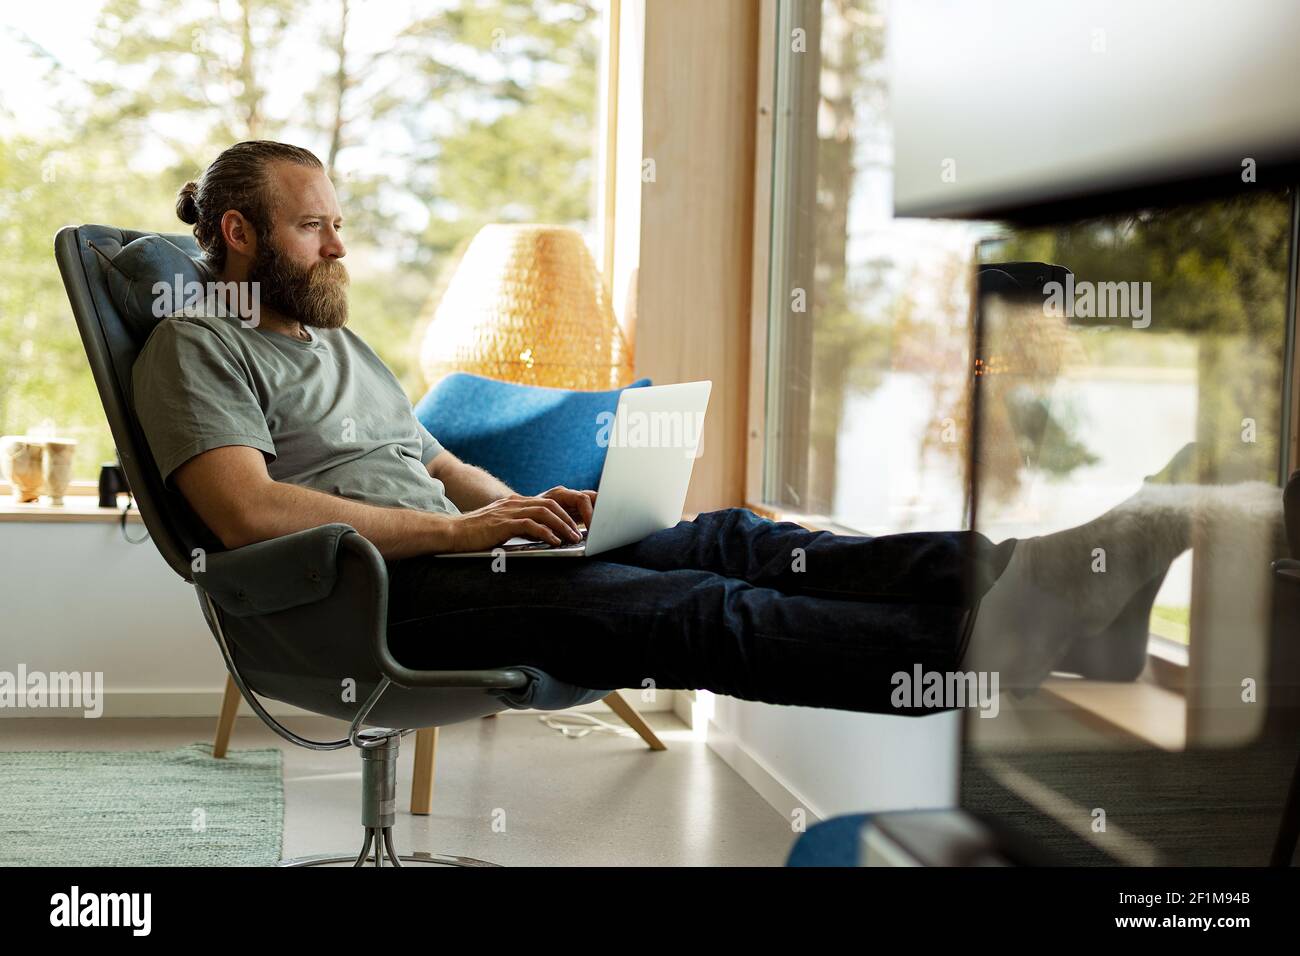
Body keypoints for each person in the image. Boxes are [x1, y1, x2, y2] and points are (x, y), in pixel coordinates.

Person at [132, 141, 1249, 717]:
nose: (339, 245)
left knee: (735, 539)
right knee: (697, 608)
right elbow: (248, 511)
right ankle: (991, 649)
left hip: (461, 555)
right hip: (373, 600)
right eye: (314, 227)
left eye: (339, 224)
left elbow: (432, 458)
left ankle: (1050, 587)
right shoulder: (197, 343)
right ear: (238, 233)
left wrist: (517, 510)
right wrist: (464, 539)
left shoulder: (336, 341)